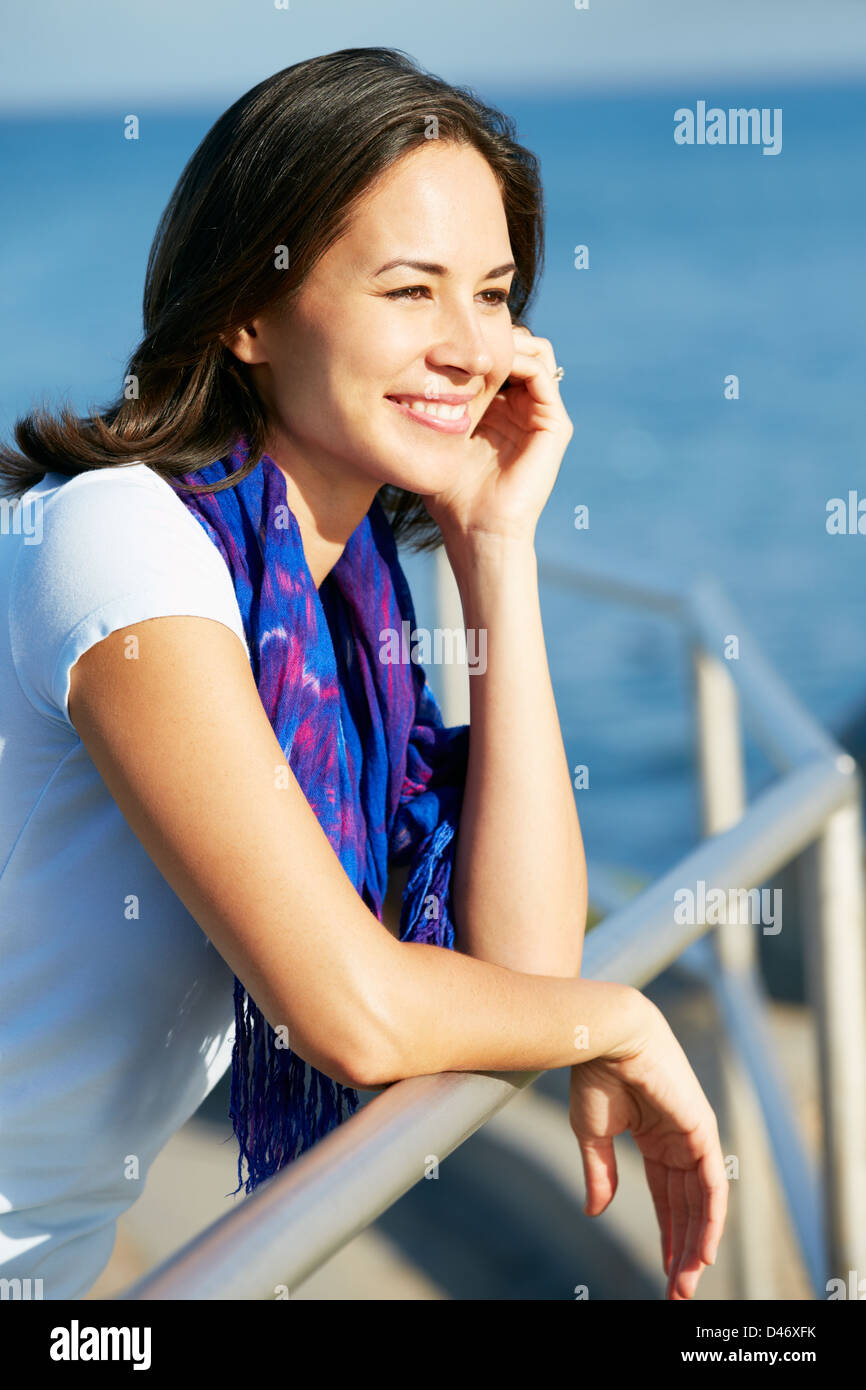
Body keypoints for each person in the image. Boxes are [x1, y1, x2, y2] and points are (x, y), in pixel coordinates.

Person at [0, 46, 727, 1301]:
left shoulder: (348, 616)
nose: (468, 347)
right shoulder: (117, 537)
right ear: (247, 309)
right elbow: (354, 1009)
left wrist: (494, 547)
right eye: (408, 290)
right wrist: (619, 1018)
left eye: (495, 294)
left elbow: (518, 963)